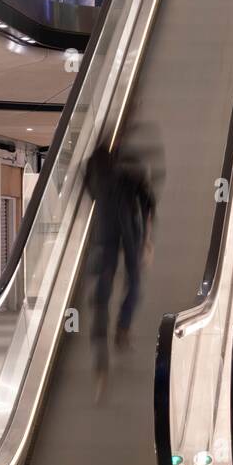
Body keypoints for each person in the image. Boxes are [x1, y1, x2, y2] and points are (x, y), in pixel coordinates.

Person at [83, 136, 159, 398]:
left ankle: (103, 356)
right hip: (127, 233)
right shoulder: (130, 171)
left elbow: (91, 192)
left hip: (107, 234)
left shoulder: (96, 167)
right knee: (133, 284)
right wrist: (146, 240)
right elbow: (148, 202)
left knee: (104, 293)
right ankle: (121, 331)